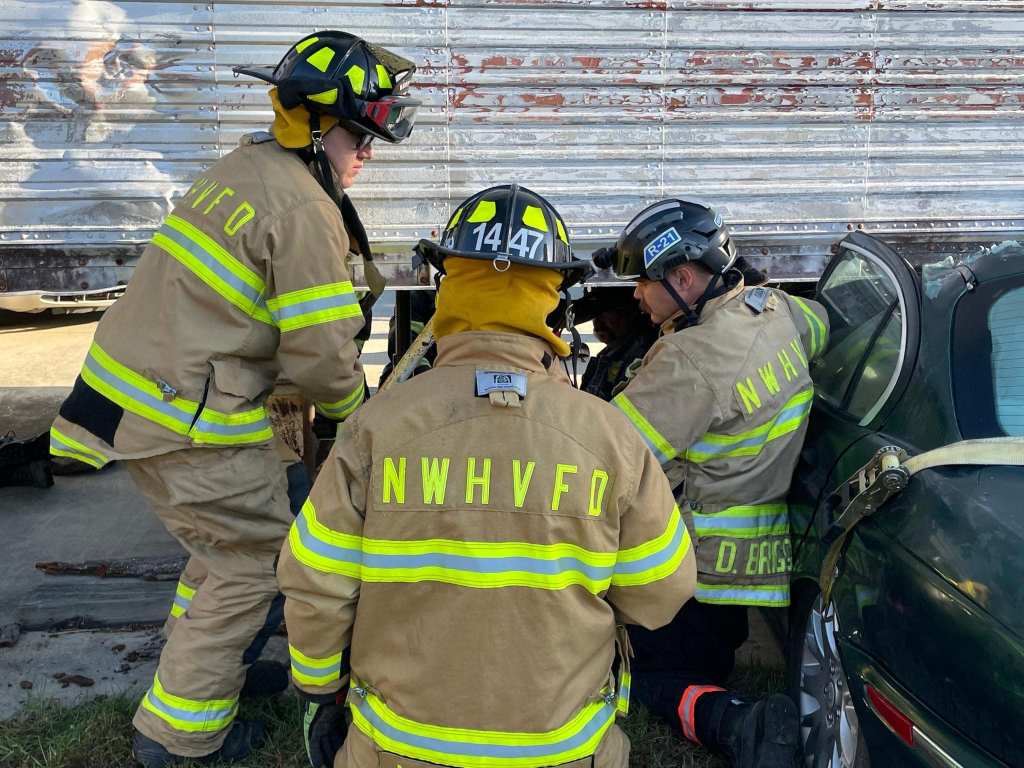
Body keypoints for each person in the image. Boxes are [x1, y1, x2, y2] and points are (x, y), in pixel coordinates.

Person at [48, 30, 420, 767]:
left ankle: (209, 671)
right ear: (313, 125)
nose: (367, 153)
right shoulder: (303, 209)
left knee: (219, 551)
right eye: (358, 136)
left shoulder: (246, 168)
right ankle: (179, 740)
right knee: (257, 561)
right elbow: (318, 353)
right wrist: (357, 422)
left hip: (139, 401)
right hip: (186, 417)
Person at [276, 184, 697, 768]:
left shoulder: (375, 430)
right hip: (562, 749)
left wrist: (321, 690)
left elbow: (315, 583)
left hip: (399, 747)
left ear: (450, 286)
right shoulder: (611, 437)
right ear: (553, 297)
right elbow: (662, 590)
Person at [597, 199, 829, 768]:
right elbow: (823, 330)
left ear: (682, 278)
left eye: (643, 283)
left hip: (690, 574)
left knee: (642, 682)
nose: (634, 296)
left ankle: (740, 724)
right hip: (744, 575)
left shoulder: (689, 360)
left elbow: (605, 458)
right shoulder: (775, 308)